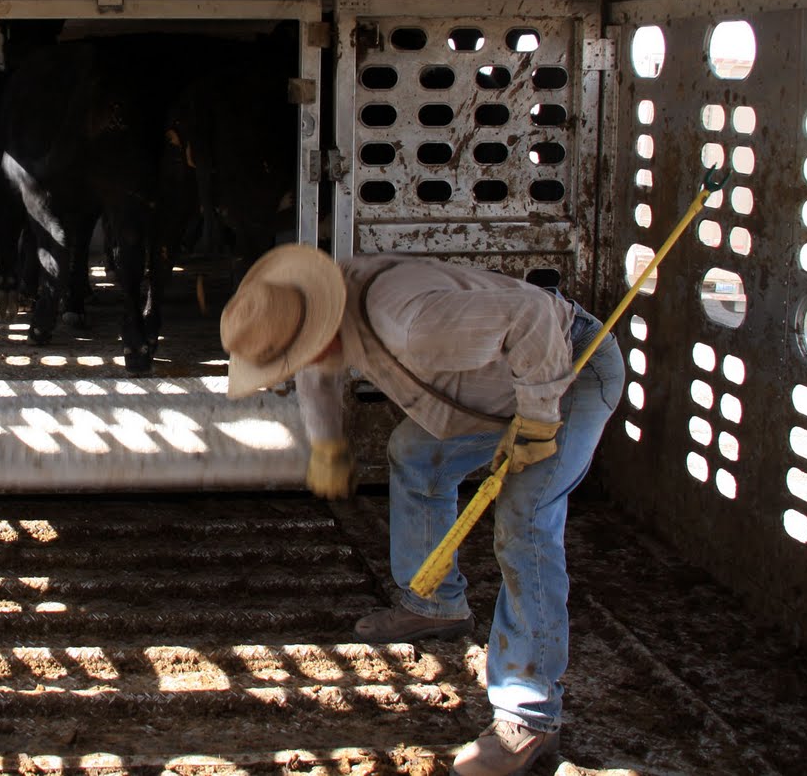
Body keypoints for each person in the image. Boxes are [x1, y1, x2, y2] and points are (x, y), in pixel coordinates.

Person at [219, 244, 625, 776]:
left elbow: (534, 317)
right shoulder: (325, 308)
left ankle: (529, 717)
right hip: (499, 387)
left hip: (568, 371)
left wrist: (541, 417)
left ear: (318, 338)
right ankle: (434, 606)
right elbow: (318, 375)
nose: (295, 370)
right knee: (415, 454)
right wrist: (327, 446)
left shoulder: (408, 323)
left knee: (523, 521)